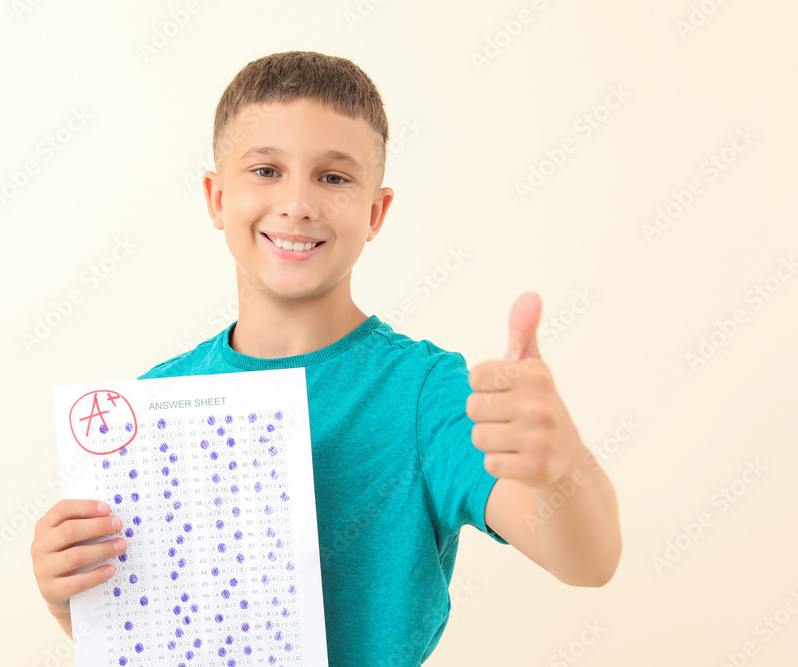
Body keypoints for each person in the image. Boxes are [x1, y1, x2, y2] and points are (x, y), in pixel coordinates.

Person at [31, 50, 621, 666]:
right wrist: (69, 600)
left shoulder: (426, 393)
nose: (297, 203)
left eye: (333, 177)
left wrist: (562, 466)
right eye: (265, 170)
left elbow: (589, 561)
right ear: (215, 197)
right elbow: (165, 637)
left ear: (375, 213)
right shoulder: (153, 402)